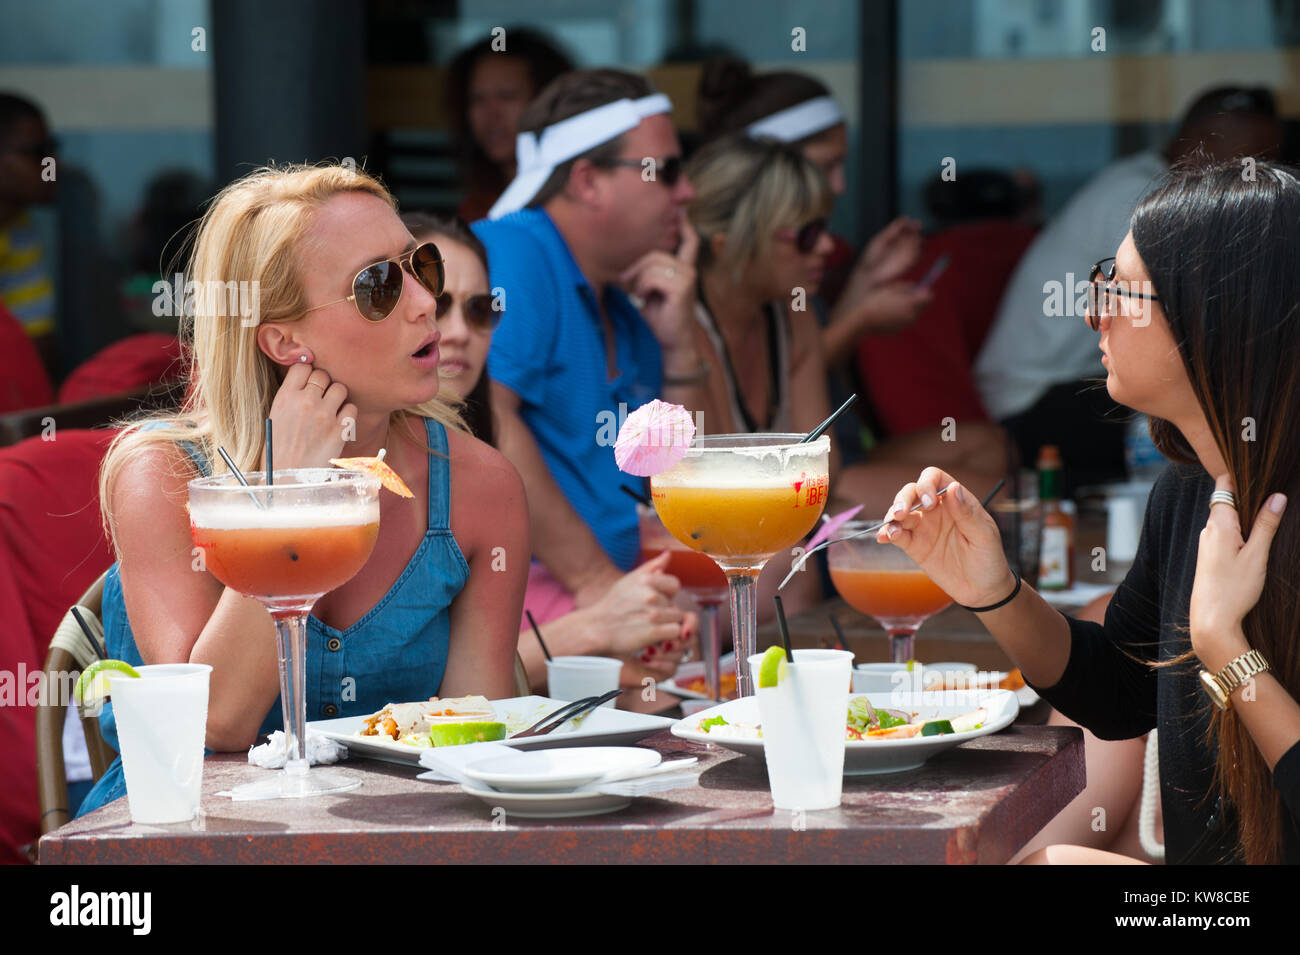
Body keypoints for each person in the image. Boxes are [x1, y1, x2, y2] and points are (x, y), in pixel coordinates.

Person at [879, 159, 1300, 864]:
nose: (1092, 312)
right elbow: (1120, 692)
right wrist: (994, 590)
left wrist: (1225, 647)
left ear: (1212, 319)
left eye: (1119, 291)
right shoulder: (1190, 489)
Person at [75, 164, 529, 817]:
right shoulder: (162, 475)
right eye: (378, 285)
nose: (426, 302)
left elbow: (470, 743)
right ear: (285, 341)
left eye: (419, 266)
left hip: (390, 831)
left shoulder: (480, 486)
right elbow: (217, 721)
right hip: (185, 836)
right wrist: (283, 490)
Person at [402, 211, 695, 690]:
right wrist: (597, 628)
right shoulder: (361, 464)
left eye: (479, 310)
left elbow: (474, 682)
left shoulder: (483, 469)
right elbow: (420, 688)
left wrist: (620, 645)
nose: (458, 332)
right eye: (438, 306)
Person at [472, 68, 718, 612]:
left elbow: (681, 485)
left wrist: (679, 349)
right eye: (666, 171)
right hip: (523, 596)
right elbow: (483, 414)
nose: (687, 191)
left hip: (623, 584)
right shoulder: (516, 249)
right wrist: (598, 585)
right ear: (587, 181)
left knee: (767, 572)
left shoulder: (629, 303)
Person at [974, 85, 1282, 493]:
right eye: (1248, 161)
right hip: (1035, 399)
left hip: (1081, 378)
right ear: (1201, 145)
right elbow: (1181, 317)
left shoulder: (1148, 183)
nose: (1254, 176)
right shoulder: (1144, 197)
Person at [445, 28, 574, 222]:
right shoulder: (475, 208)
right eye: (477, 99)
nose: (491, 113)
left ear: (546, 101)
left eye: (507, 96)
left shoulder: (574, 201)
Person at [0, 93, 58, 379]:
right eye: (38, 152)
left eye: (53, 149)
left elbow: (36, 341)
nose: (52, 164)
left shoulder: (19, 226)